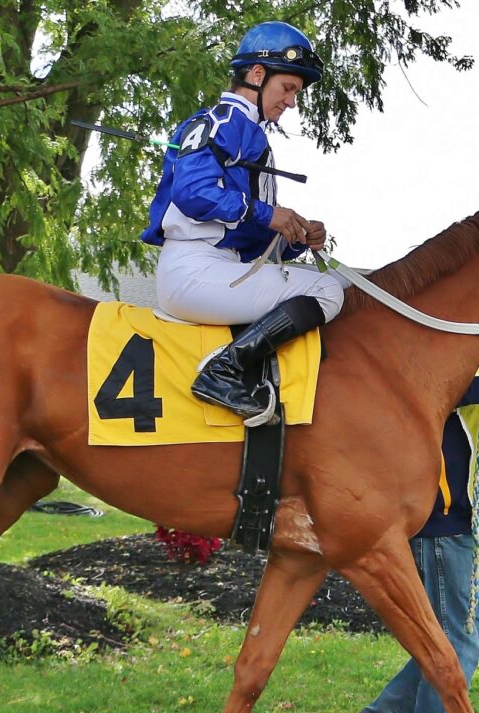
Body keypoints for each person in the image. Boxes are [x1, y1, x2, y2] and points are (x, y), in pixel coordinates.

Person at [140, 21, 348, 424]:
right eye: (288, 88)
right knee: (326, 289)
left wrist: (296, 237)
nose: (291, 102)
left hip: (223, 266)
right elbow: (192, 193)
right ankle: (223, 371)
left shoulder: (252, 136)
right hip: (193, 270)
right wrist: (270, 213)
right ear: (257, 75)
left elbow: (251, 239)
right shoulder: (219, 122)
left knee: (338, 285)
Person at [343, 366, 479, 713]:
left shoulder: (459, 364)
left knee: (471, 636)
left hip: (457, 520)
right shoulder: (440, 365)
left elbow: (473, 450)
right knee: (454, 643)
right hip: (438, 522)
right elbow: (416, 390)